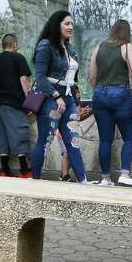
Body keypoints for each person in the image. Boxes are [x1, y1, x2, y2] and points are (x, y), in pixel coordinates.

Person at [30, 11, 88, 182]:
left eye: (72, 24)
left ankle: (83, 181)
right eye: (67, 23)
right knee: (45, 140)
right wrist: (56, 96)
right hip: (51, 97)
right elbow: (40, 77)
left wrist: (76, 97)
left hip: (69, 97)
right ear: (57, 25)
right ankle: (35, 180)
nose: (71, 27)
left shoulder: (69, 48)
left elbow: (71, 77)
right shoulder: (45, 45)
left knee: (73, 141)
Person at [89, 19, 132, 187]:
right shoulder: (127, 47)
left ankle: (105, 178)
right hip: (121, 95)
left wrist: (99, 91)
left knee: (105, 140)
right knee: (130, 137)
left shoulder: (99, 47)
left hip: (99, 95)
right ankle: (125, 174)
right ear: (127, 32)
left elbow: (92, 77)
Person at [0, 33, 33, 178]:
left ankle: (4, 169)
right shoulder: (18, 58)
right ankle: (24, 170)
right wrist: (30, 103)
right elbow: (24, 80)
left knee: (3, 135)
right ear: (14, 45)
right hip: (13, 103)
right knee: (20, 133)